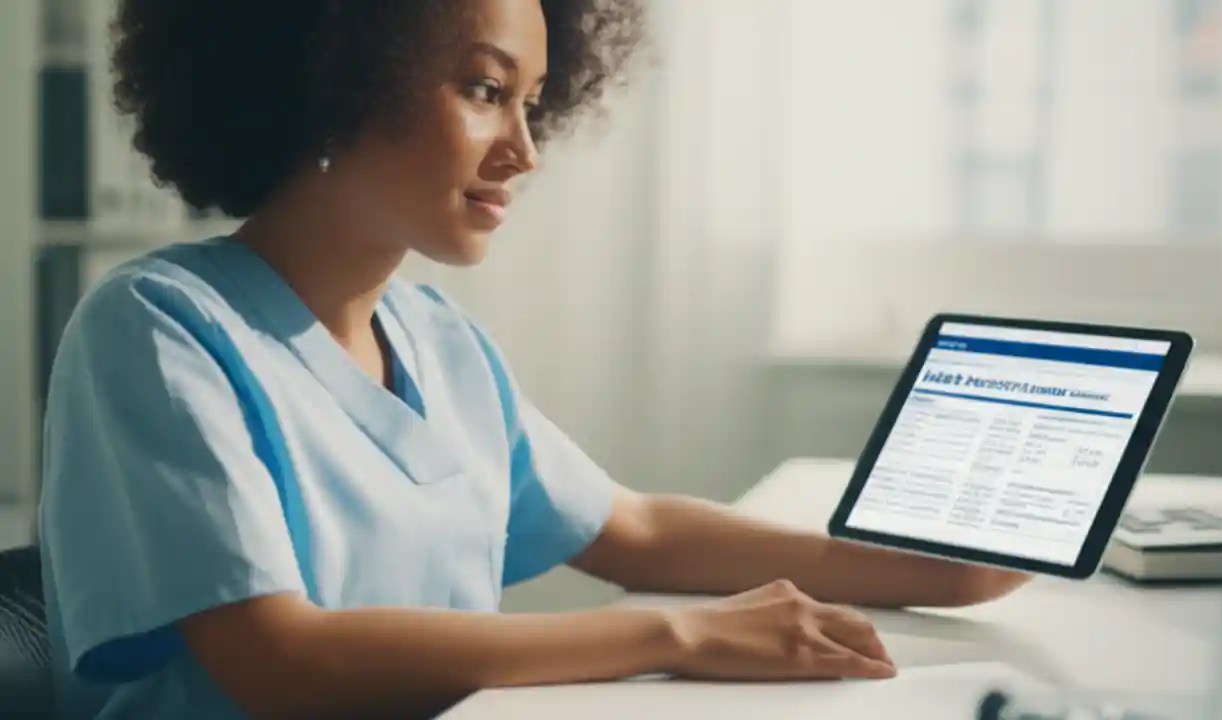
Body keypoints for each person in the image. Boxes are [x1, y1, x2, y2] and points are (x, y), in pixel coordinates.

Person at [37, 1, 1032, 717]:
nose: (524, 148)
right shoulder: (156, 328)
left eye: (531, 101)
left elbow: (633, 528)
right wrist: (679, 635)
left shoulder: (435, 338)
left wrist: (939, 574)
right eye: (483, 90)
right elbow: (279, 662)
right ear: (332, 83)